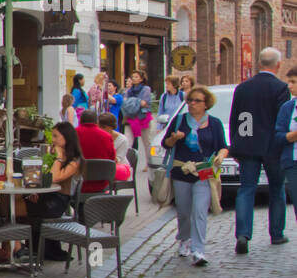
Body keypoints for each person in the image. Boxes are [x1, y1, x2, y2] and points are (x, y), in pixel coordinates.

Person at [229, 46, 289, 254]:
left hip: (246, 145)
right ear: (278, 65)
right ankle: (277, 233)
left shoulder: (243, 88)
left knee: (246, 189)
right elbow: (282, 120)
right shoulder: (281, 88)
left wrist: (235, 146)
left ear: (259, 63)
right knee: (277, 189)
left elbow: (235, 118)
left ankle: (243, 234)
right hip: (272, 147)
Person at [162, 86, 229, 266]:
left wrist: (221, 156)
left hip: (204, 171)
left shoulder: (214, 123)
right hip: (181, 171)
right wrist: (174, 138)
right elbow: (165, 143)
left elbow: (222, 145)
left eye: (196, 101)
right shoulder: (179, 120)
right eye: (190, 100)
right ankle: (184, 238)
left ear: (206, 104)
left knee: (200, 211)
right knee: (184, 212)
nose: (192, 104)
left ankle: (198, 250)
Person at [21, 122, 83, 262]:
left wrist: (59, 158)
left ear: (67, 137)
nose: (52, 140)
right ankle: (22, 247)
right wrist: (36, 190)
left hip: (57, 201)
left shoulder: (74, 161)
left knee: (12, 209)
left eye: (56, 136)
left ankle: (22, 247)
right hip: (46, 196)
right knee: (9, 203)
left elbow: (55, 177)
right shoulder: (53, 157)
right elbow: (44, 177)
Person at [272, 66, 297, 234]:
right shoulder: (287, 107)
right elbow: (278, 135)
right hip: (292, 162)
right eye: (289, 81)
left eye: (293, 82)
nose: (289, 85)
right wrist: (292, 136)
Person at [75, 110, 116, 193]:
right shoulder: (106, 136)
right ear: (96, 122)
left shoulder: (73, 133)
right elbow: (112, 159)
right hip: (101, 183)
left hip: (77, 183)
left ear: (80, 120)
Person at [121, 70, 155, 166]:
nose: (134, 78)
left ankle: (150, 163)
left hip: (143, 117)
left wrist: (131, 102)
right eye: (133, 77)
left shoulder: (146, 89)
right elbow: (125, 103)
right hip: (131, 117)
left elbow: (144, 103)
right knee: (127, 141)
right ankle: (126, 163)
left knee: (147, 142)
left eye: (136, 77)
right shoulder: (129, 90)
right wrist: (137, 102)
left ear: (141, 79)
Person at [97, 113, 132, 181]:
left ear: (110, 127)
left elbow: (118, 160)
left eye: (102, 127)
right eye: (98, 126)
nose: (100, 129)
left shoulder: (122, 140)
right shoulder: (97, 136)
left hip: (118, 167)